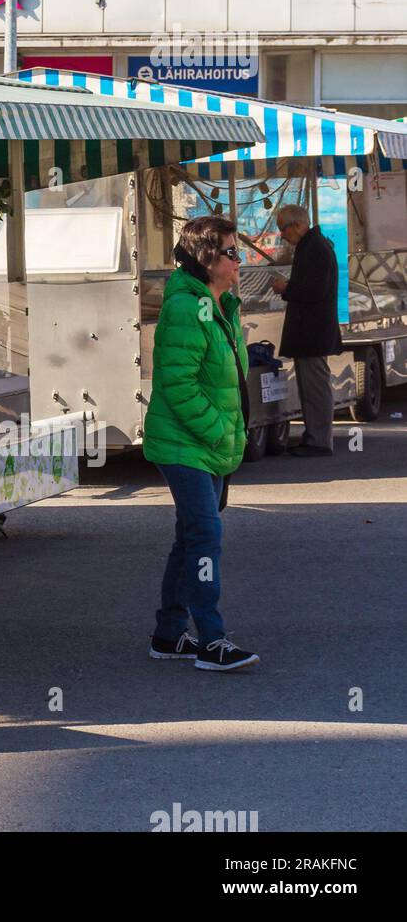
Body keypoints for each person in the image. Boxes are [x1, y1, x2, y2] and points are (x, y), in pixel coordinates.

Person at [143, 216, 259, 671]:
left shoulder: (219, 305)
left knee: (188, 538)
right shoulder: (187, 308)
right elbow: (179, 386)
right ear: (208, 258)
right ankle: (212, 640)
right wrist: (219, 431)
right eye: (232, 253)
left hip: (203, 445)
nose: (239, 261)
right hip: (185, 444)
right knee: (205, 536)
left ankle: (169, 635)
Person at [269, 204, 342, 457]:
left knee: (315, 387)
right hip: (311, 331)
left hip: (313, 331)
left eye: (283, 228)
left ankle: (320, 441)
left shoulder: (316, 248)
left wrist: (285, 289)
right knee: (309, 387)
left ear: (298, 225)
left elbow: (314, 291)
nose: (282, 234)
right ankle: (313, 436)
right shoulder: (312, 246)